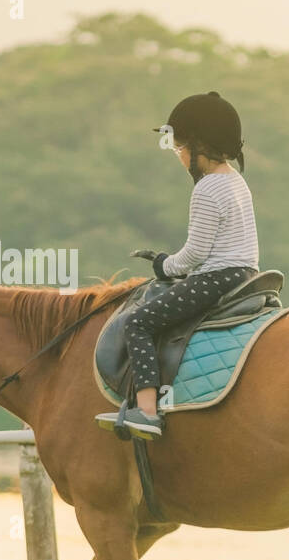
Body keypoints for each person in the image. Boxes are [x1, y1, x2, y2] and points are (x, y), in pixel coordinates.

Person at [95, 91, 259, 439]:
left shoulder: (207, 189)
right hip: (246, 275)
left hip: (216, 278)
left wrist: (163, 265)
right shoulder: (235, 181)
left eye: (179, 147)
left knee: (138, 322)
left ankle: (147, 412)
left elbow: (195, 255)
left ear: (200, 146)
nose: (178, 154)